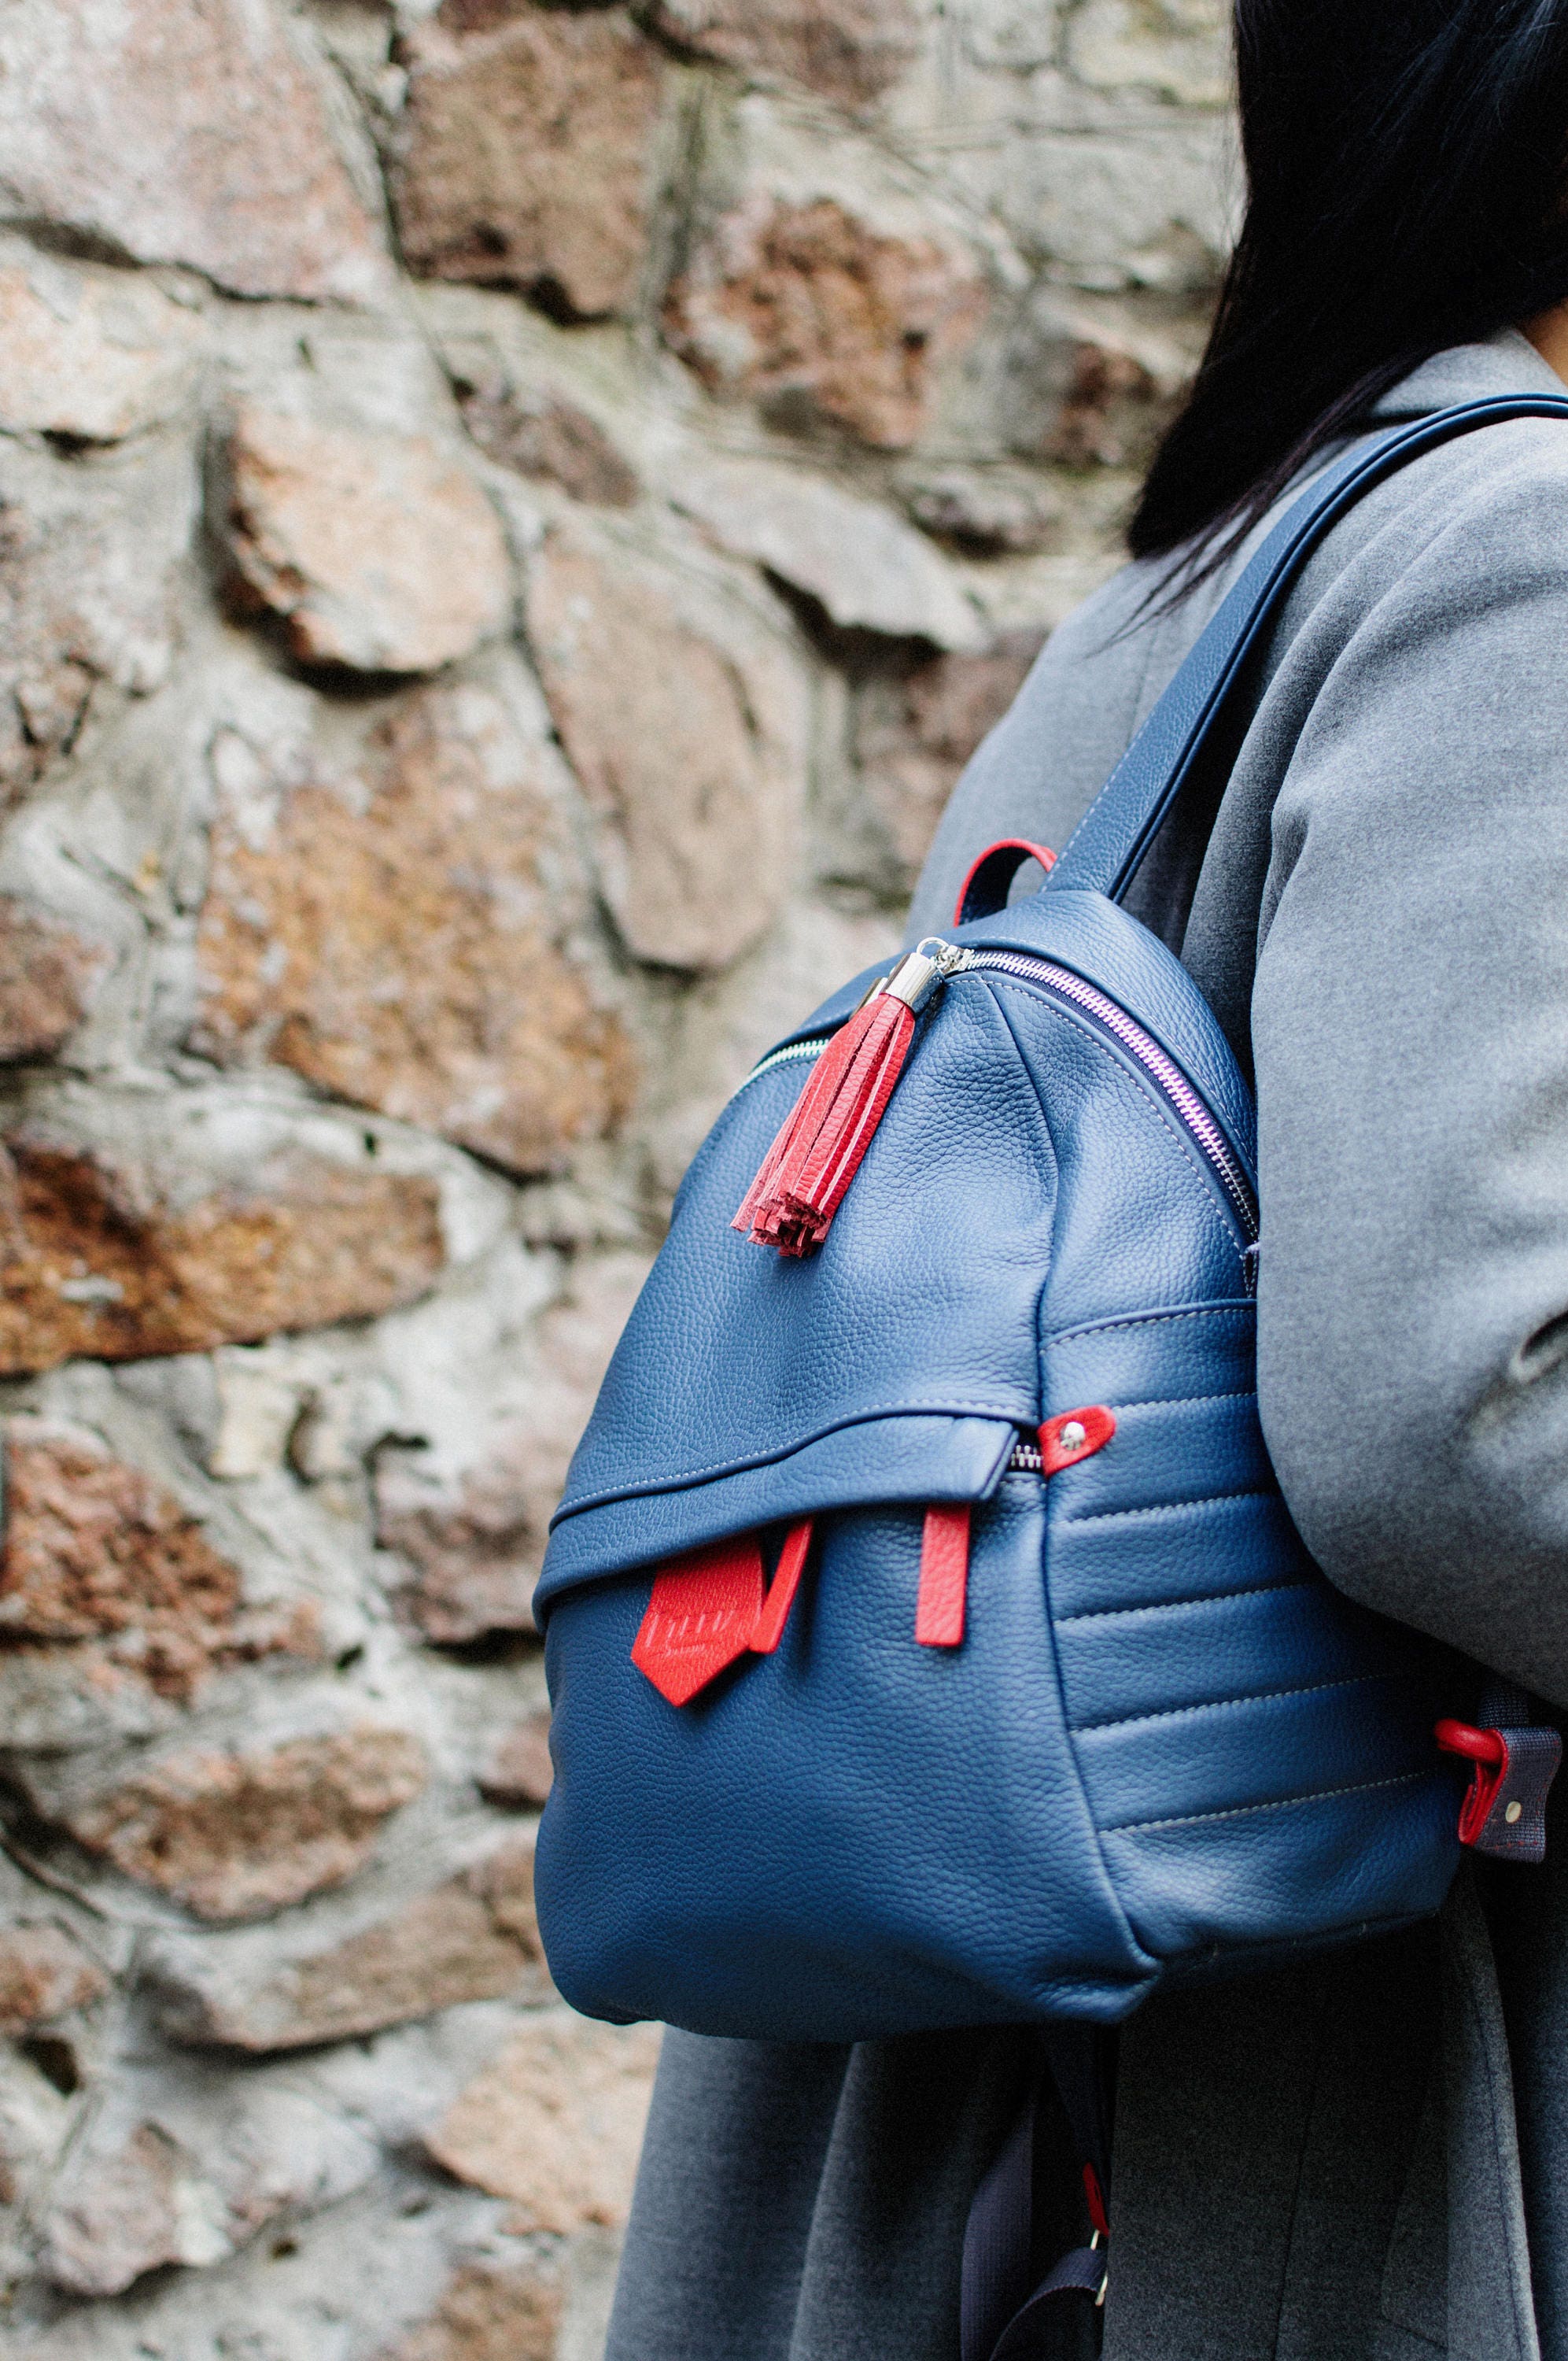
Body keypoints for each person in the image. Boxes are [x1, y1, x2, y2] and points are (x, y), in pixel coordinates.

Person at [603, 5, 1568, 2354]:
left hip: (1058, 2084)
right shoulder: (1520, 551)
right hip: (1324, 2098)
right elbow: (1460, 1422)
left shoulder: (1202, 579)